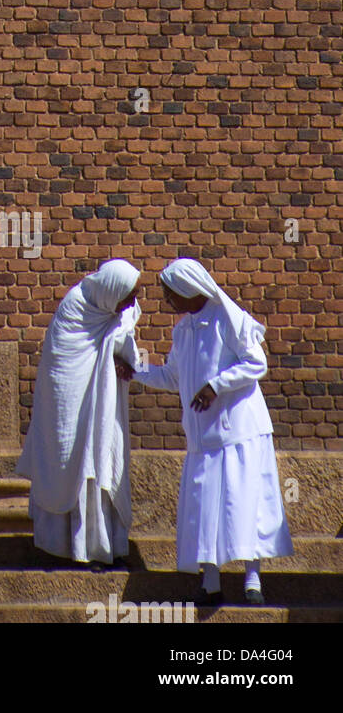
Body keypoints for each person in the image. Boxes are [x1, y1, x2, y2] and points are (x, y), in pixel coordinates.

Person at [127, 258, 292, 605]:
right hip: (203, 438)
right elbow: (173, 376)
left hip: (240, 432)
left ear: (190, 290)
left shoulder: (227, 320)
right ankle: (211, 582)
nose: (169, 301)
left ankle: (252, 580)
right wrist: (136, 371)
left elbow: (257, 362)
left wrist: (216, 385)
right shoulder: (183, 330)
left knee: (244, 504)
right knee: (204, 508)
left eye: (172, 294)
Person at [16, 258, 142, 566]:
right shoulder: (74, 308)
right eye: (126, 297)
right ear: (110, 291)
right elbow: (61, 364)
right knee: (70, 458)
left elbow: (123, 334)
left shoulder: (114, 310)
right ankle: (60, 545)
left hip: (102, 403)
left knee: (97, 458)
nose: (131, 304)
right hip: (68, 402)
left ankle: (98, 546)